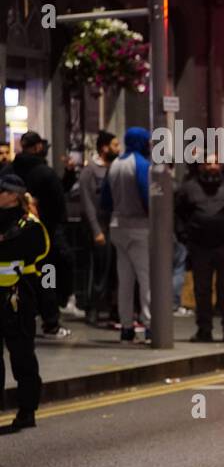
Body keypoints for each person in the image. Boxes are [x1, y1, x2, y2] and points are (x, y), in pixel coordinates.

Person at [4, 132, 70, 338]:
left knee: (17, 282)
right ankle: (51, 321)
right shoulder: (45, 173)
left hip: (12, 241)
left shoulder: (9, 170)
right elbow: (59, 205)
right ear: (37, 147)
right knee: (47, 279)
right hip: (44, 237)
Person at [176, 156, 224, 343]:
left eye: (215, 163)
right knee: (202, 290)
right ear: (200, 167)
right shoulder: (188, 188)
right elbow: (179, 214)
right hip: (200, 246)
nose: (212, 167)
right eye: (208, 163)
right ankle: (204, 329)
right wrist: (184, 237)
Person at [0, 173, 49, 431]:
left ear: (12, 195)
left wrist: (50, 310)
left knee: (22, 358)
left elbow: (42, 260)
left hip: (19, 299)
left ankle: (27, 411)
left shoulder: (29, 226)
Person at [100, 127, 153, 343]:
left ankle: (126, 327)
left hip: (117, 225)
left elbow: (105, 199)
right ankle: (150, 326)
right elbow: (146, 194)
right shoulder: (141, 164)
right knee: (146, 277)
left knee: (125, 278)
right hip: (139, 225)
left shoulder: (115, 165)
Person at [79, 131, 118, 327]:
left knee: (114, 269)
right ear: (104, 148)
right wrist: (96, 230)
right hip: (100, 225)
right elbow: (87, 204)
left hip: (115, 224)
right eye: (115, 145)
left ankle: (112, 307)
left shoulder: (117, 168)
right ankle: (92, 307)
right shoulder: (90, 171)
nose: (118, 149)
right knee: (99, 268)